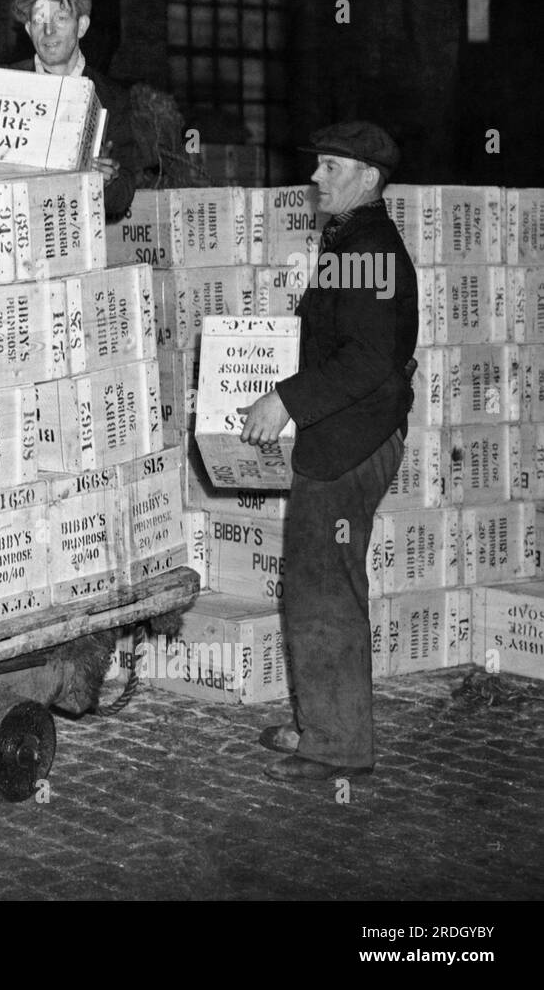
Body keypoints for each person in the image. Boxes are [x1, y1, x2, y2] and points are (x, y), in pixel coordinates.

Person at [237, 120, 418, 782]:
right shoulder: (351, 238)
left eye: (331, 168)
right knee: (318, 582)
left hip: (351, 441)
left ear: (368, 179)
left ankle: (337, 745)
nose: (316, 178)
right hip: (344, 432)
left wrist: (286, 399)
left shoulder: (369, 245)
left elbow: (370, 355)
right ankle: (323, 723)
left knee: (324, 590)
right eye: (318, 165)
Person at [0, 0, 182, 220]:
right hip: (5, 226)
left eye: (61, 19)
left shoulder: (112, 99)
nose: (48, 32)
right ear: (29, 30)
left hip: (67, 235)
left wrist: (106, 181)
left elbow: (122, 197)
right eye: (39, 21)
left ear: (82, 26)